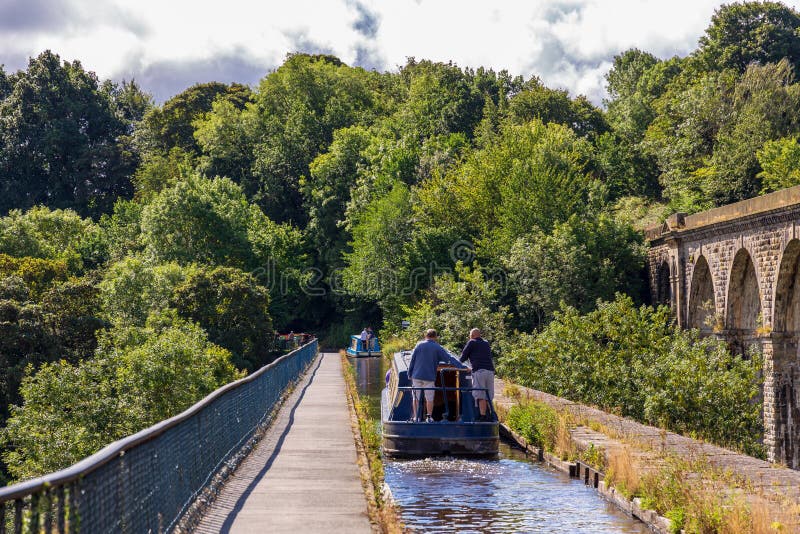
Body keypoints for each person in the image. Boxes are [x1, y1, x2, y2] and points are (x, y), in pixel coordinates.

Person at [407, 329, 452, 422]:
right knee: (429, 398)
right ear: (435, 337)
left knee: (416, 398)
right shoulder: (437, 347)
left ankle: (416, 417)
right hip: (429, 377)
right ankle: (429, 417)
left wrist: (409, 373)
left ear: (425, 336)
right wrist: (461, 366)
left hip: (417, 376)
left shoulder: (419, 345)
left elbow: (412, 361)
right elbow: (448, 359)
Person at [460, 328, 494, 421]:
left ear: (472, 335)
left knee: (480, 394)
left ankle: (482, 416)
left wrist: (460, 366)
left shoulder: (472, 342)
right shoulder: (486, 343)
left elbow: (462, 358)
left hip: (479, 371)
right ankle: (491, 415)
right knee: (488, 394)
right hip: (490, 371)